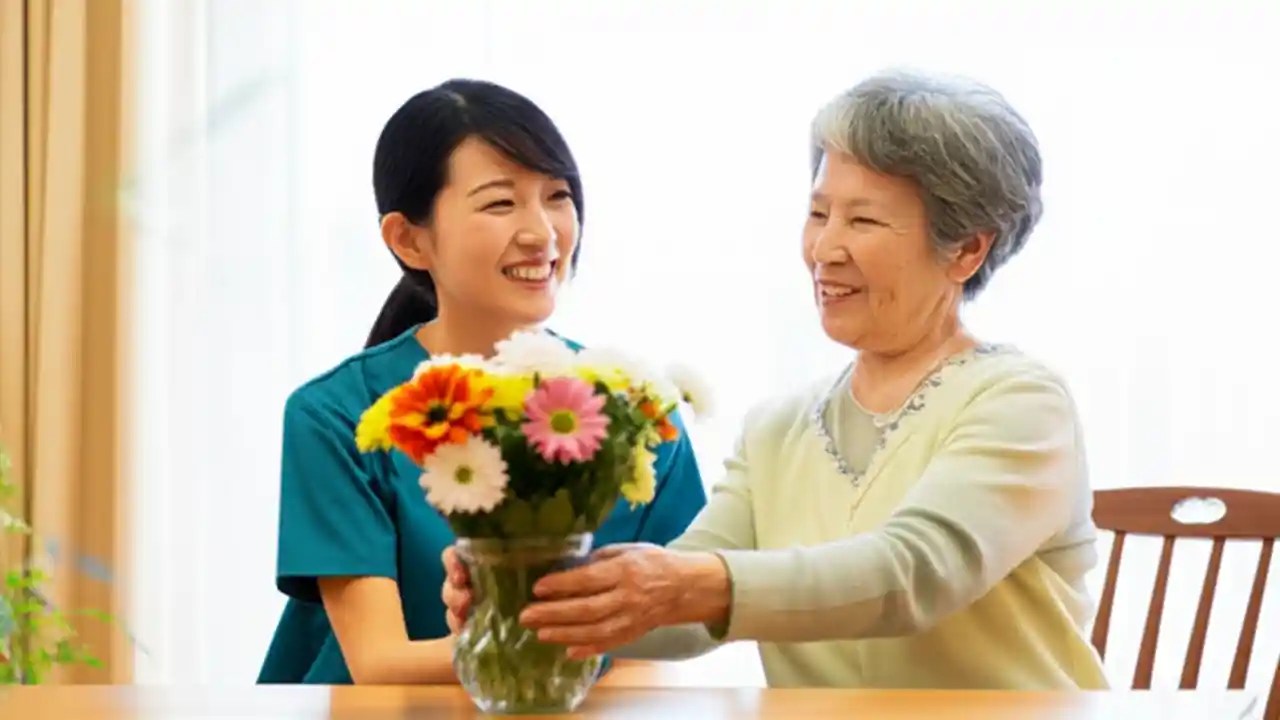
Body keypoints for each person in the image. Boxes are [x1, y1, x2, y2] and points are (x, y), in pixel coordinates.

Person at [443, 69, 1109, 690]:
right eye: (819, 214)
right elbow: (682, 609)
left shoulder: (1020, 403)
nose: (824, 249)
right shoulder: (780, 426)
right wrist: (543, 590)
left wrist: (689, 585)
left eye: (864, 220)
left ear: (967, 248)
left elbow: (910, 573)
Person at [257, 79, 707, 685]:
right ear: (409, 240)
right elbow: (380, 664)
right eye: (500, 203)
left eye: (557, 196)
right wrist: (566, 643)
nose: (542, 232)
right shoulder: (336, 415)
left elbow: (658, 651)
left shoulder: (633, 410)